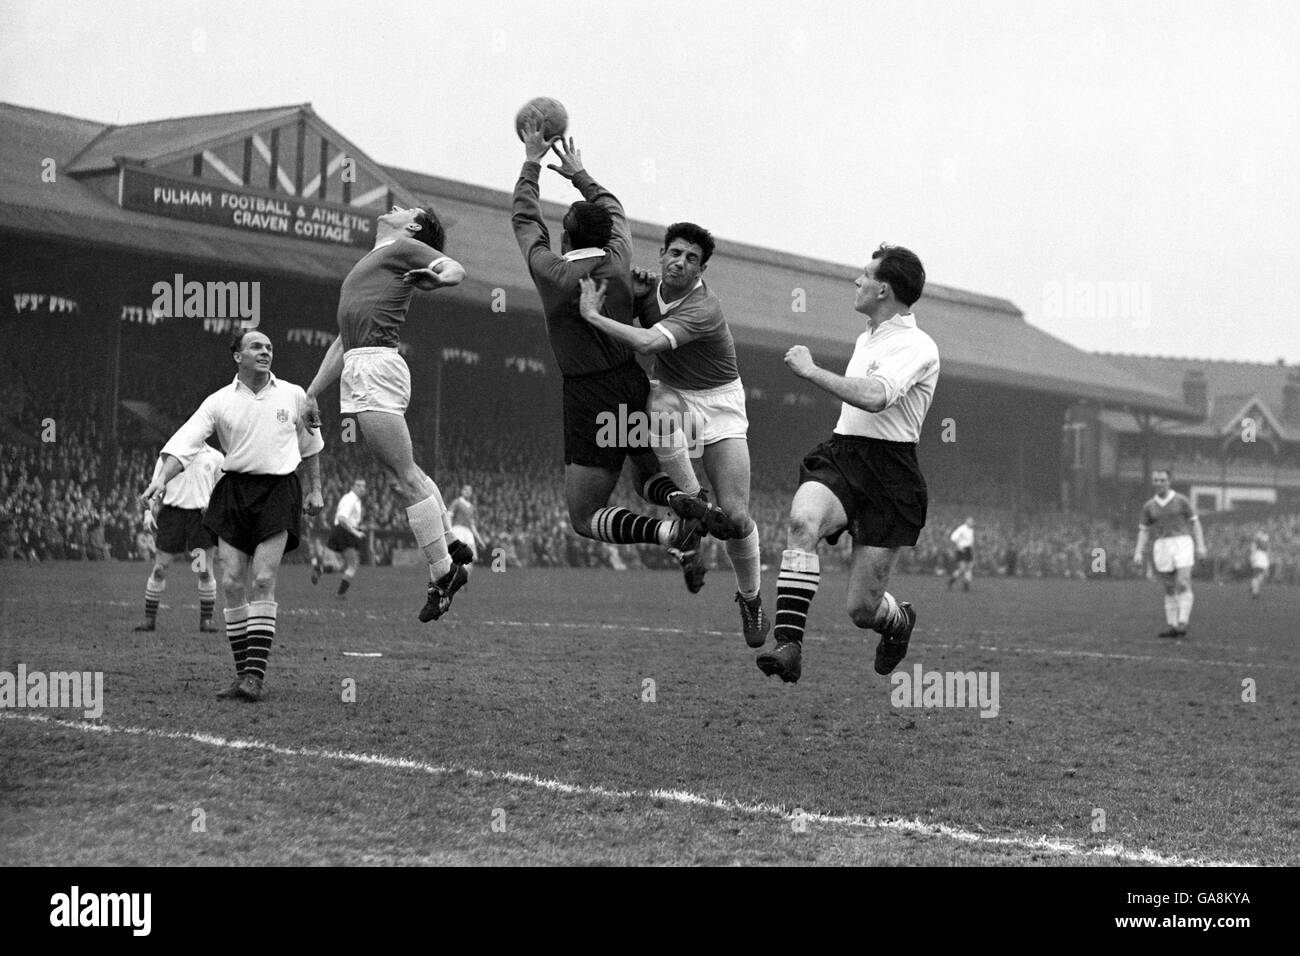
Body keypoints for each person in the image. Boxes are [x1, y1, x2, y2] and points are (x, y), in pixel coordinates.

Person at [511, 120, 718, 589]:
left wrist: (530, 161)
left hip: (588, 394)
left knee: (584, 516)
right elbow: (614, 207)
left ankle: (670, 530)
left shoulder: (552, 272)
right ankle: (689, 506)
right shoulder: (620, 255)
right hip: (632, 380)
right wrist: (579, 173)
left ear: (565, 236)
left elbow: (525, 221)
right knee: (647, 475)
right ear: (606, 234)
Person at [576, 220, 769, 647]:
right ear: (662, 255)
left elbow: (646, 344)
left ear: (702, 270)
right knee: (659, 406)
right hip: (676, 395)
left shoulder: (704, 308)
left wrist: (591, 315)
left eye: (692, 259)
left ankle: (751, 598)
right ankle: (693, 505)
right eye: (675, 253)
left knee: (737, 519)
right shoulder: (647, 287)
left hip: (720, 405)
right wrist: (581, 174)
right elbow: (597, 268)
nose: (681, 262)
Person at [755, 244, 937, 683]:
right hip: (844, 454)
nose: (857, 281)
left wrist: (813, 371)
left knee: (861, 610)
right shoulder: (867, 336)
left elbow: (876, 397)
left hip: (890, 474)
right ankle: (788, 646)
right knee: (802, 522)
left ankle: (899, 621)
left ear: (883, 290)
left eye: (864, 275)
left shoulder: (918, 345)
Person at [305, 204, 474, 622]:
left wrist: (438, 279)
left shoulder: (404, 246)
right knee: (407, 472)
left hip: (376, 367)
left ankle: (444, 572)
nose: (395, 208)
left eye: (405, 209)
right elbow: (343, 342)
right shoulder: (374, 259)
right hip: (365, 362)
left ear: (413, 226)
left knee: (405, 479)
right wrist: (312, 393)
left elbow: (455, 269)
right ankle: (451, 545)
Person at [141, 330, 324, 702]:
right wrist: (160, 479)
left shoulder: (295, 395)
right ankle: (242, 674)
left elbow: (311, 447)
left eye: (269, 347)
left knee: (263, 578)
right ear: (237, 356)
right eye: (256, 346)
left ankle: (255, 677)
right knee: (230, 582)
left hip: (278, 491)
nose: (265, 352)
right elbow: (185, 443)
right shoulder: (219, 402)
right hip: (234, 491)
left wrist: (317, 489)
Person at [133, 442, 225, 632]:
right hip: (172, 518)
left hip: (200, 519)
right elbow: (155, 487)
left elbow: (222, 491)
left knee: (203, 571)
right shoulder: (168, 455)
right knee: (160, 569)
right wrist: (148, 513)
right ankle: (149, 620)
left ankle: (205, 621)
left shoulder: (215, 457)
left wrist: (215, 511)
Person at [1132, 468, 1207, 638]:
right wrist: (1138, 552)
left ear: (1169, 481)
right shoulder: (1149, 506)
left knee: (1182, 581)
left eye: (1162, 480)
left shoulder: (1181, 501)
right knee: (1169, 587)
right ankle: (1172, 625)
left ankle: (1182, 622)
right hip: (1162, 545)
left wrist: (1200, 545)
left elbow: (1195, 523)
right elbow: (1143, 531)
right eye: (1156, 480)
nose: (1159, 483)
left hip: (1182, 543)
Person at [317, 478, 367, 598]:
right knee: (352, 564)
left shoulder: (355, 500)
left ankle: (323, 569)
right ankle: (340, 594)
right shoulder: (350, 499)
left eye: (363, 486)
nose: (361, 488)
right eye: (358, 485)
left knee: (345, 565)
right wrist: (356, 532)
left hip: (344, 531)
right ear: (352, 487)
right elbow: (342, 519)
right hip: (344, 532)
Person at [447, 485, 487, 562]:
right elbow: (449, 516)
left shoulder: (471, 507)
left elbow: (472, 525)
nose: (467, 492)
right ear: (462, 491)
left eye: (469, 491)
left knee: (474, 557)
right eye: (465, 490)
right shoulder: (457, 502)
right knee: (455, 555)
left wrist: (479, 540)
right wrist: (449, 530)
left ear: (471, 493)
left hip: (468, 531)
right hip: (458, 529)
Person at [947, 516, 975, 591]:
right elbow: (953, 537)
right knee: (962, 568)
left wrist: (971, 550)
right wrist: (959, 546)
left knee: (969, 568)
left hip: (968, 550)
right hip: (962, 550)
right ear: (967, 521)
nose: (972, 522)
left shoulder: (971, 530)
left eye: (972, 521)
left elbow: (970, 542)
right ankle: (951, 582)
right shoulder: (961, 529)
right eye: (971, 521)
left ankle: (966, 586)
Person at [1248, 530, 1269, 599]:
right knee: (1257, 574)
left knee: (1262, 574)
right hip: (1259, 556)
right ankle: (1255, 592)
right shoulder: (1257, 541)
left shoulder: (1257, 541)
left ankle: (1254, 587)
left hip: (1262, 556)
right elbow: (1255, 549)